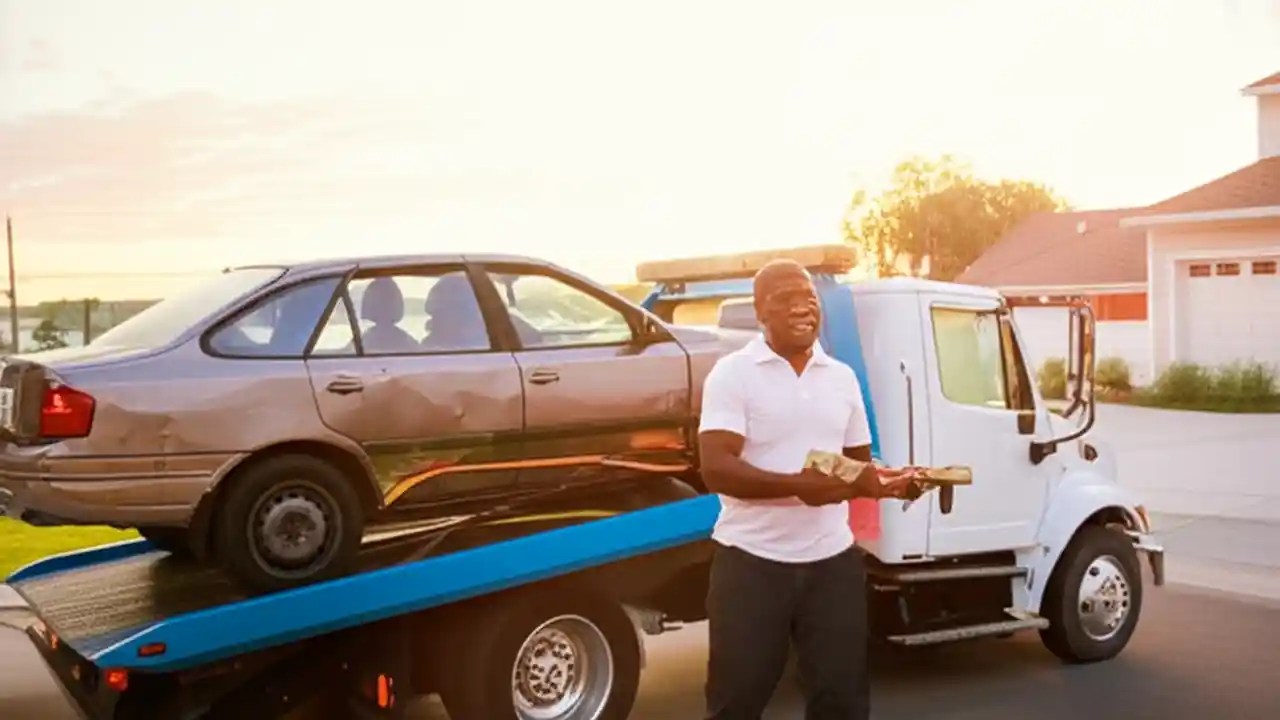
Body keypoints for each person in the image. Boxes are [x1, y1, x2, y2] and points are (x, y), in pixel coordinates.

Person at [698, 259, 922, 720]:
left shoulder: (841, 377)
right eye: (786, 299)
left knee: (841, 701)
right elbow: (717, 467)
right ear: (760, 312)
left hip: (831, 565)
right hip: (751, 563)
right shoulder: (733, 373)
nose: (803, 308)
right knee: (735, 701)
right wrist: (800, 486)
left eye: (809, 299)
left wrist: (890, 482)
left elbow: (857, 465)